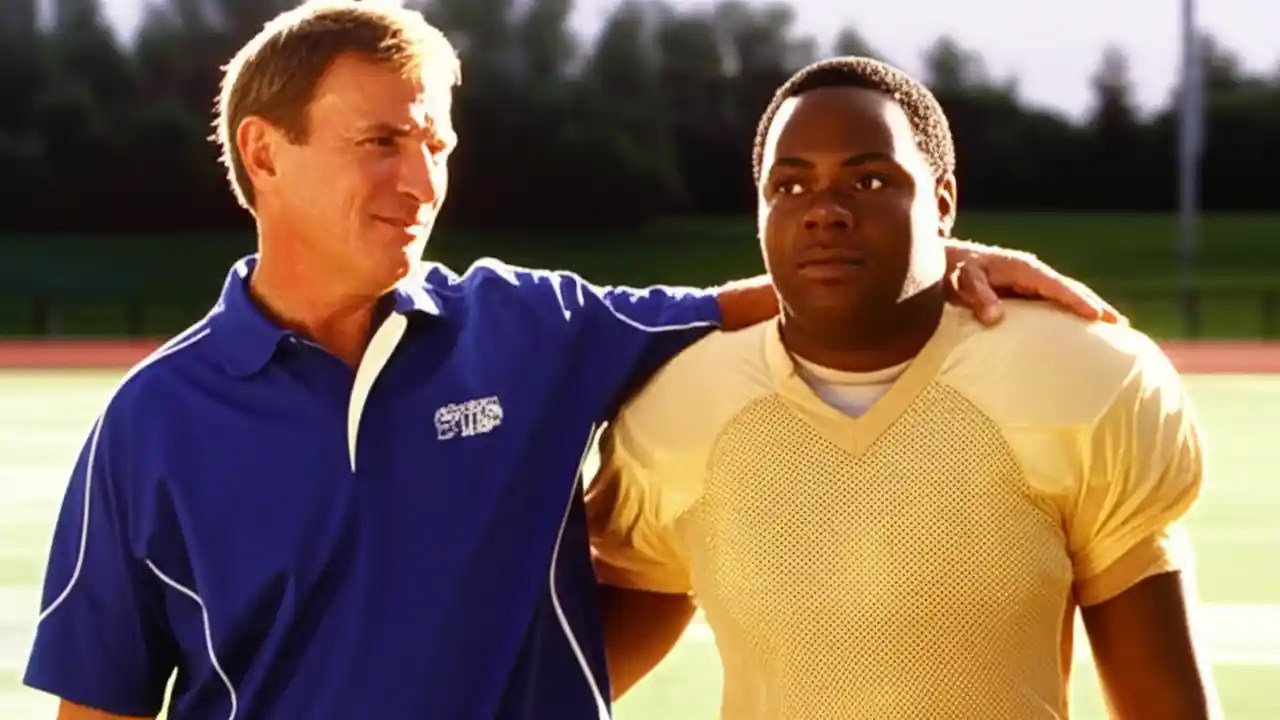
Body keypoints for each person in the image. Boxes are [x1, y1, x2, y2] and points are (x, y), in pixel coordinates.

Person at [23, 4, 1119, 719]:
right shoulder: (152, 423)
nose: (420, 178)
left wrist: (941, 250)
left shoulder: (529, 327)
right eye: (381, 143)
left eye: (436, 144)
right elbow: (100, 705)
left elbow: (778, 298)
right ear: (265, 153)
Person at [585, 55, 1222, 720]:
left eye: (869, 179)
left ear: (942, 202)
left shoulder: (1083, 376)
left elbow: (1165, 705)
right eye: (790, 188)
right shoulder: (682, 405)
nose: (824, 212)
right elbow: (562, 681)